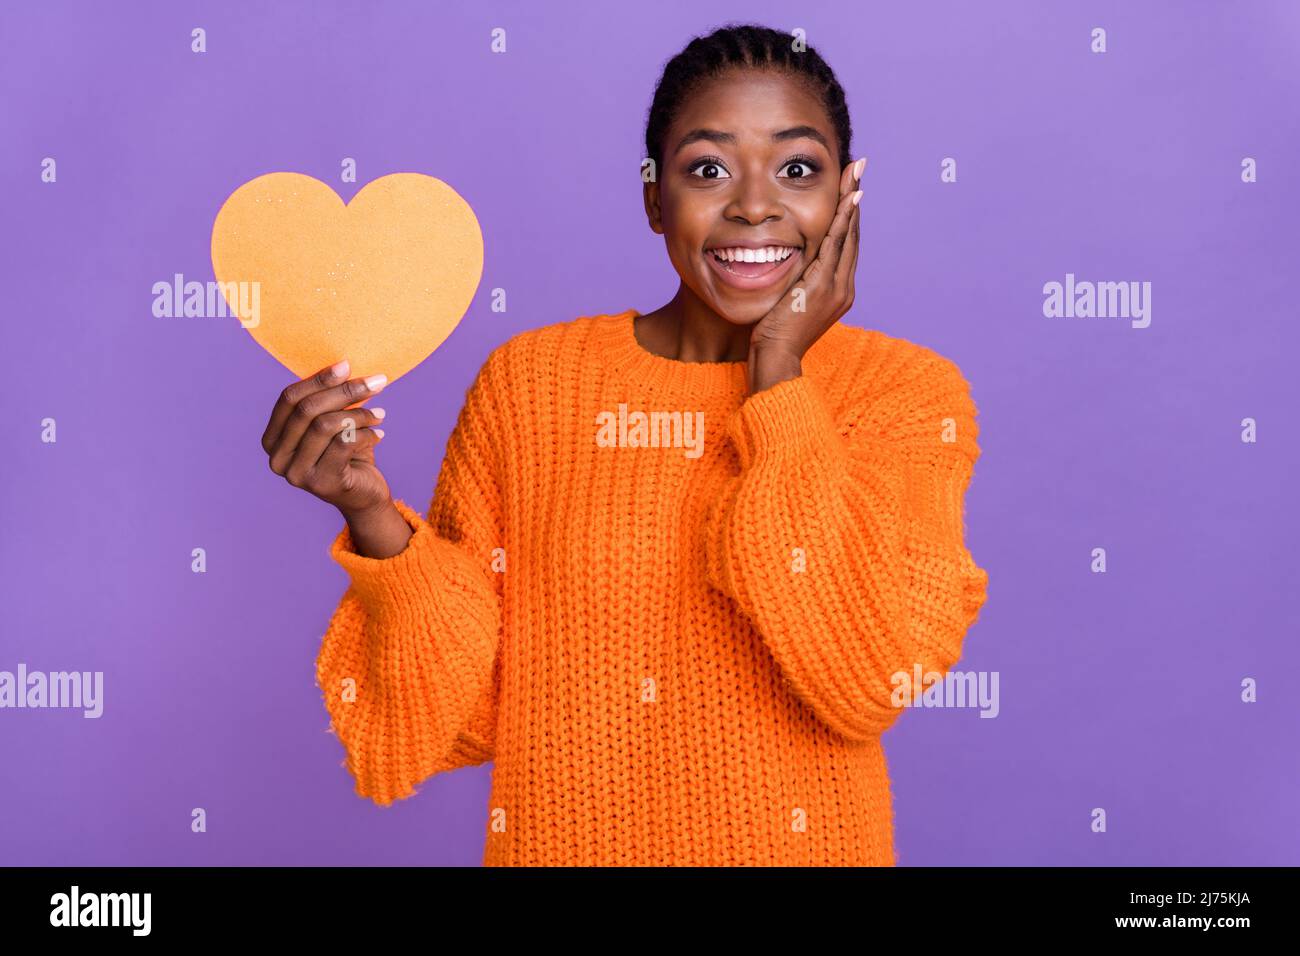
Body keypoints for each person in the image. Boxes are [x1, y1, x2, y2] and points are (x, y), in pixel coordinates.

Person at [261, 22, 989, 866]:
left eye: (798, 168)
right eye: (707, 168)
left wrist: (780, 373)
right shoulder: (530, 384)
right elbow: (470, 705)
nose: (754, 204)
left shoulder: (906, 393)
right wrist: (371, 511)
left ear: (848, 195)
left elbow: (864, 676)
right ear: (653, 197)